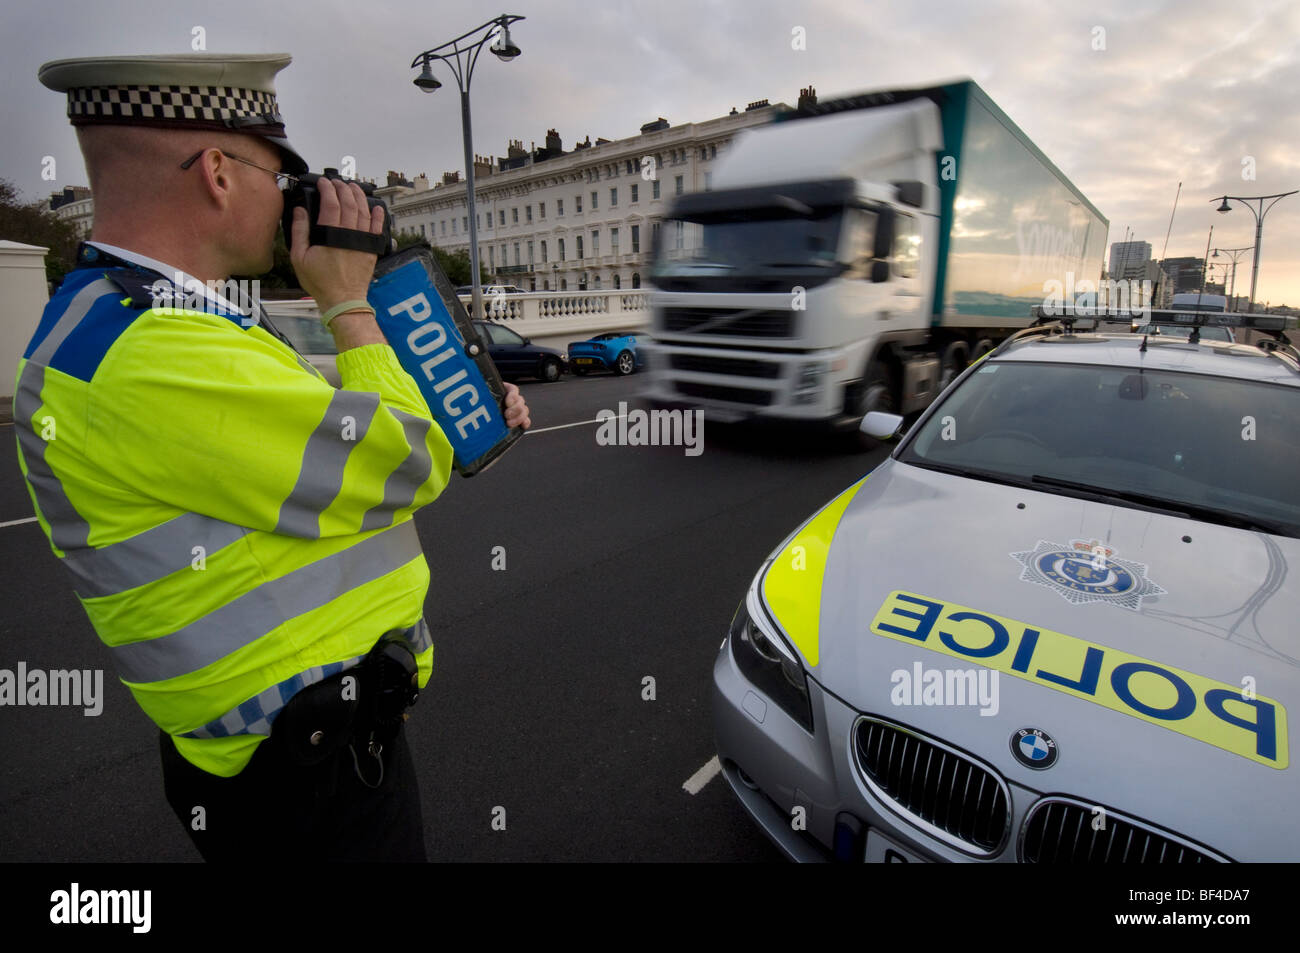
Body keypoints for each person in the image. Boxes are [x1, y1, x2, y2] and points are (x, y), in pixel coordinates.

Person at [17, 52, 530, 861]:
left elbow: (321, 424)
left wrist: (454, 399)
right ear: (218, 172)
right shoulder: (153, 352)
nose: (296, 195)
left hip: (290, 753)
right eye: (281, 169)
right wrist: (346, 300)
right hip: (307, 782)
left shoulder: (124, 318)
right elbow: (400, 464)